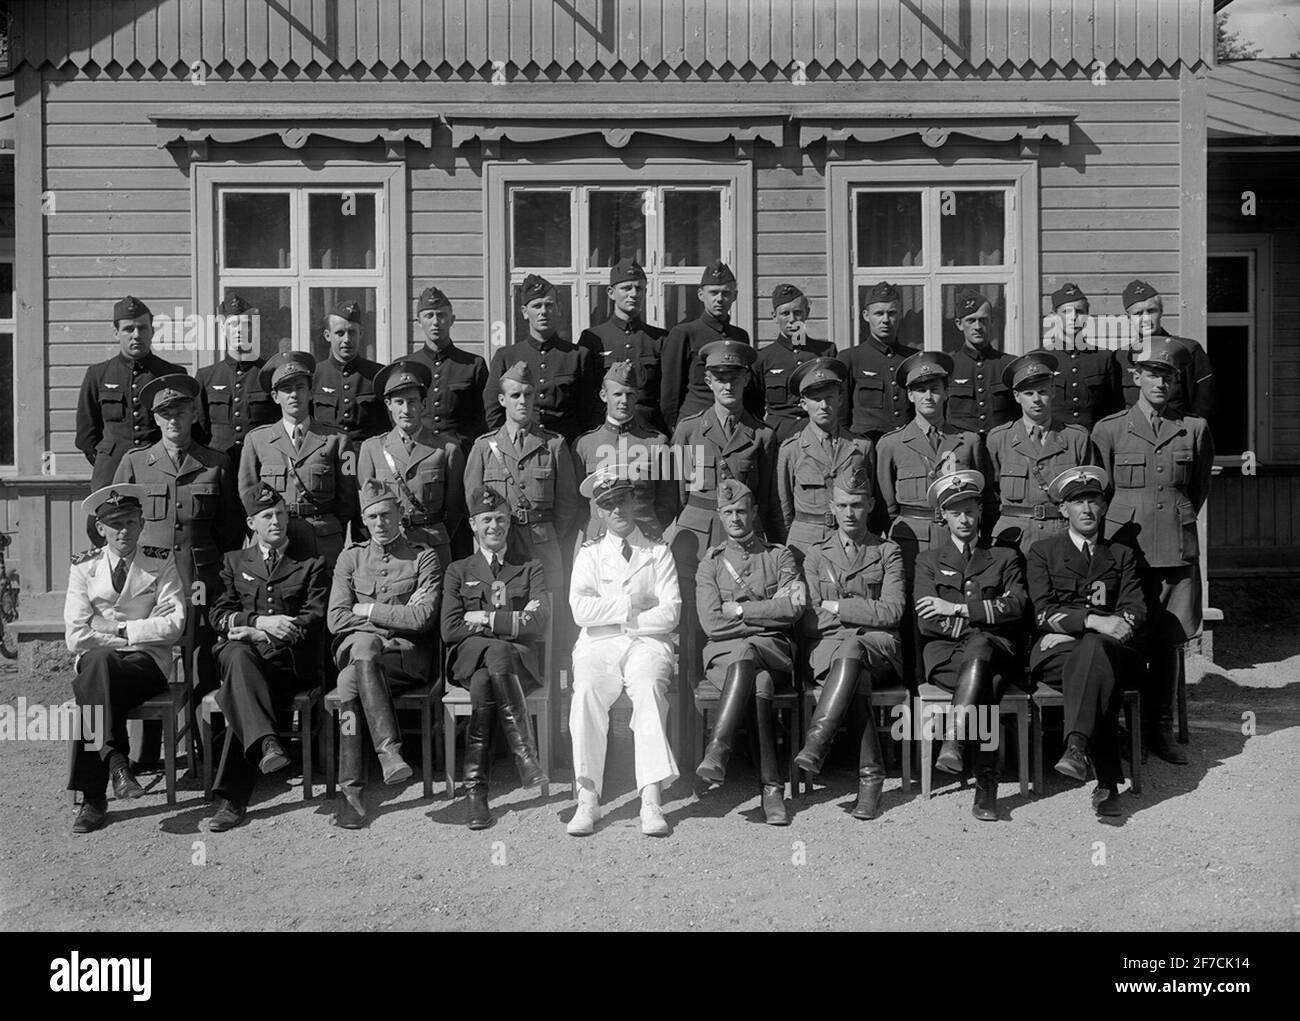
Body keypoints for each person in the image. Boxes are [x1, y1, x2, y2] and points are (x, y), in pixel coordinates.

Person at [1092, 336, 1214, 765]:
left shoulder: (1194, 428)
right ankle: (1124, 729)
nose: (1161, 382)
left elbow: (1196, 489)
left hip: (1177, 549)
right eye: (1153, 374)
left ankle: (1159, 730)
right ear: (1136, 376)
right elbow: (1100, 490)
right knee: (1125, 637)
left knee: (1168, 641)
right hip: (1126, 548)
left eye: (1169, 375)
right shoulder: (1109, 429)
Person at [205, 484, 330, 832]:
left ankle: (232, 800)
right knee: (238, 659)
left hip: (284, 662)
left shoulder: (311, 566)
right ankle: (266, 743)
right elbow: (218, 615)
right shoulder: (233, 562)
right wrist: (257, 621)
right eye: (267, 516)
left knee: (239, 687)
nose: (275, 521)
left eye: (280, 514)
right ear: (251, 523)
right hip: (241, 656)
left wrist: (262, 633)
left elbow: (313, 618)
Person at [115, 374, 243, 708]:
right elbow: (119, 521)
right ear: (155, 418)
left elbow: (230, 528)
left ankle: (205, 751)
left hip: (200, 579)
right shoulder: (136, 462)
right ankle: (144, 753)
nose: (173, 419)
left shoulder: (216, 463)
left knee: (202, 658)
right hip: (149, 580)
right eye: (165, 413)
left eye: (181, 412)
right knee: (145, 654)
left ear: (193, 415)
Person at [567, 466, 681, 838]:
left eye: (622, 501)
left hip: (646, 642)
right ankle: (588, 798)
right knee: (584, 690)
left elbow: (671, 612)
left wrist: (620, 621)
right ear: (599, 511)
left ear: (635, 502)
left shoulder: (658, 552)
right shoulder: (589, 554)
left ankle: (651, 799)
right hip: (598, 645)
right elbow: (580, 611)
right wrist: (631, 603)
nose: (617, 510)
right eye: (608, 504)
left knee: (648, 689)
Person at [64, 485, 186, 834]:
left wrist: (116, 627)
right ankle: (117, 766)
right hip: (101, 663)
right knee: (99, 666)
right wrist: (143, 625)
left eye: (130, 521)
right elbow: (75, 635)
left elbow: (174, 625)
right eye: (114, 523)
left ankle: (93, 798)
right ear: (100, 528)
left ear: (142, 522)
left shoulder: (160, 561)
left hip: (144, 664)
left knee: (95, 675)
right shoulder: (83, 567)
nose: (124, 530)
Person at [1026, 466, 1146, 818]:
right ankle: (1107, 782)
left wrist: (1074, 626)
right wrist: (1095, 621)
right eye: (1078, 502)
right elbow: (1041, 613)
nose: (1087, 509)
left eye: (1093, 500)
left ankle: (1076, 747)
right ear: (1063, 510)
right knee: (1095, 661)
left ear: (1104, 507)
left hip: (1104, 649)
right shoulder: (1043, 551)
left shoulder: (1121, 555)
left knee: (1096, 657)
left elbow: (1135, 610)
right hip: (1056, 654)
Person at [326, 480, 443, 828]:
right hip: (367, 649)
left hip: (404, 657)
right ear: (364, 519)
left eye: (387, 514)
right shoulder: (351, 557)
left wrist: (367, 611)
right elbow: (335, 619)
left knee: (350, 678)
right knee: (363, 648)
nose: (380, 523)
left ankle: (351, 792)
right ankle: (389, 753)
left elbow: (422, 618)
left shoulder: (423, 556)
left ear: (400, 514)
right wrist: (390, 622)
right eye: (373, 516)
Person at [913, 470, 1028, 822]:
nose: (964, 519)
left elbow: (1018, 608)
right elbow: (925, 619)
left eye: (970, 510)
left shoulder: (1004, 557)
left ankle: (955, 742)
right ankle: (986, 787)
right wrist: (984, 618)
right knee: (988, 680)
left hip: (994, 650)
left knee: (982, 652)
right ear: (943, 516)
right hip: (947, 656)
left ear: (980, 512)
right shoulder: (928, 561)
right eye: (955, 512)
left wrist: (960, 609)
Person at [668, 340, 781, 694]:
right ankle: (691, 713)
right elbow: (673, 495)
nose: (728, 384)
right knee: (692, 626)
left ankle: (742, 697)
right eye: (720, 377)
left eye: (735, 376)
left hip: (744, 545)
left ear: (746, 380)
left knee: (743, 623)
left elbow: (766, 499)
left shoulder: (762, 434)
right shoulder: (688, 430)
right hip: (696, 543)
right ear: (708, 381)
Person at [795, 465, 905, 820]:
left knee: (853, 650)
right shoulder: (815, 555)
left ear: (870, 504)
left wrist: (839, 606)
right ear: (831, 506)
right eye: (842, 506)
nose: (849, 513)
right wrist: (861, 613)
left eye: (856, 505)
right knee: (853, 664)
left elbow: (893, 612)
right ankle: (871, 779)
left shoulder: (888, 552)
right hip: (831, 650)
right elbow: (812, 618)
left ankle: (817, 743)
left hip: (881, 648)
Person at [694, 479, 805, 826]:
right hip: (724, 656)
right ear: (719, 516)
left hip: (774, 652)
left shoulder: (779, 555)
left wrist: (742, 612)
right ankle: (772, 789)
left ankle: (718, 749)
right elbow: (712, 624)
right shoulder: (709, 564)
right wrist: (765, 619)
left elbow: (793, 610)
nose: (735, 518)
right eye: (728, 512)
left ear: (755, 513)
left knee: (748, 651)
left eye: (742, 511)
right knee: (758, 681)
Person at [441, 486, 550, 830]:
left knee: (487, 677)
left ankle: (475, 793)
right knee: (495, 654)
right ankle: (525, 756)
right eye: (486, 519)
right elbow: (449, 629)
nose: (494, 526)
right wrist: (509, 626)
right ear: (473, 524)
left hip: (517, 662)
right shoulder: (458, 570)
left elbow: (540, 622)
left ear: (509, 524)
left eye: (501, 519)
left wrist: (485, 620)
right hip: (471, 658)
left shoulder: (530, 567)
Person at [464, 360, 581, 666]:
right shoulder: (484, 448)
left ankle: (552, 685)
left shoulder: (553, 445)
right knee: (498, 611)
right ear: (502, 400)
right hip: (498, 547)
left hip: (542, 545)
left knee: (547, 615)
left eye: (528, 395)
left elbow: (568, 503)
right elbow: (473, 499)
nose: (522, 402)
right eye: (515, 395)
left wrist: (545, 531)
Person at [75, 296, 191, 544]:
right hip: (111, 474)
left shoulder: (172, 374)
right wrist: (112, 461)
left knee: (159, 536)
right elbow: (86, 436)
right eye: (129, 328)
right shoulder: (98, 375)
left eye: (142, 328)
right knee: (106, 535)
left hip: (159, 472)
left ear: (152, 331)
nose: (136, 334)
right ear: (116, 332)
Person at [239, 351, 359, 562]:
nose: (294, 395)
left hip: (322, 539)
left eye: (300, 387)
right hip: (277, 538)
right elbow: (248, 492)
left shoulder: (338, 440)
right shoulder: (257, 440)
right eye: (286, 389)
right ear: (276, 397)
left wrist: (329, 527)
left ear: (310, 392)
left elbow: (348, 498)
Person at [358, 358, 465, 573]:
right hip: (391, 548)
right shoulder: (372, 449)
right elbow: (366, 506)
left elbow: (455, 507)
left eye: (412, 401)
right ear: (388, 405)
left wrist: (436, 534)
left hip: (433, 546)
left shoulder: (447, 449)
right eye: (399, 402)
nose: (406, 409)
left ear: (423, 404)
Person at [986, 352, 1098, 555]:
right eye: (1029, 393)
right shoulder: (999, 439)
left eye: (1043, 392)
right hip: (1013, 541)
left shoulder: (1076, 438)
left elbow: (1090, 494)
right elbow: (990, 497)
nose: (1037, 399)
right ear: (1016, 396)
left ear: (1053, 391)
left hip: (1061, 537)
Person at [775, 357, 874, 560]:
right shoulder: (791, 450)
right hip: (805, 545)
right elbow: (782, 511)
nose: (823, 405)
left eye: (829, 397)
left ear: (840, 399)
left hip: (852, 540)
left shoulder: (861, 447)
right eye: (816, 399)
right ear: (803, 404)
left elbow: (873, 504)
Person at [571, 360, 675, 546]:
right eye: (617, 394)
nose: (624, 401)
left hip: (645, 537)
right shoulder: (584, 445)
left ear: (636, 397)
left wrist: (647, 528)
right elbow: (576, 503)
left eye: (630, 394)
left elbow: (667, 501)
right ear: (604, 395)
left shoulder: (657, 443)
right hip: (599, 541)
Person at [484, 274, 596, 443]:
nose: (544, 311)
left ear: (558, 309)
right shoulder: (506, 357)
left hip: (566, 446)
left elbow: (588, 411)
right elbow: (493, 408)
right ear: (524, 312)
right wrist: (509, 443)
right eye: (537, 306)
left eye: (549, 305)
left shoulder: (578, 356)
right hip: (520, 446)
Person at [660, 261, 762, 431]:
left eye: (726, 293)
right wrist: (672, 429)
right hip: (696, 423)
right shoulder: (684, 332)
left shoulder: (740, 336)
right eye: (713, 293)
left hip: (734, 423)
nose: (720, 299)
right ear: (701, 294)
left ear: (735, 296)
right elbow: (670, 391)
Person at [578, 258, 669, 434]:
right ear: (611, 293)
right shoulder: (593, 338)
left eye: (639, 288)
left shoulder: (660, 339)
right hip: (605, 428)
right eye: (626, 288)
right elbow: (585, 393)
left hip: (649, 430)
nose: (634, 294)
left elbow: (668, 394)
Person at [196, 293, 278, 477]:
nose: (239, 330)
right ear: (223, 330)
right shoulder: (206, 376)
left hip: (260, 468)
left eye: (246, 324)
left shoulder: (270, 374)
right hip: (219, 470)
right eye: (233, 325)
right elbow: (200, 432)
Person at [405, 285, 490, 452]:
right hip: (418, 452)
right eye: (429, 316)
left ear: (452, 319)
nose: (436, 322)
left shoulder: (473, 365)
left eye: (441, 315)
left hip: (462, 453)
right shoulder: (406, 366)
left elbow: (483, 416)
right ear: (418, 322)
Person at [1118, 279, 1215, 420]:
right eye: (1138, 313)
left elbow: (1205, 405)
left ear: (1161, 312)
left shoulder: (1187, 350)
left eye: (1151, 311)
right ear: (1128, 318)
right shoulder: (1121, 356)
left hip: (1178, 434)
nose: (1145, 319)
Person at [753, 283, 839, 441]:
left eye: (798, 312)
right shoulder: (763, 358)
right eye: (785, 313)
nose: (792, 319)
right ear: (774, 316)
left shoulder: (826, 352)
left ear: (807, 313)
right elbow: (754, 409)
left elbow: (837, 398)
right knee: (695, 461)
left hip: (818, 436)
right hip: (778, 439)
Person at [1044, 282, 1123, 430]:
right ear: (1053, 316)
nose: (1073, 317)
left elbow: (1114, 409)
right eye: (1066, 312)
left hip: (1093, 441)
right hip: (1054, 442)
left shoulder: (1103, 358)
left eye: (1079, 311)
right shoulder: (1042, 359)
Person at [842, 281, 914, 442]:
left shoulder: (913, 359)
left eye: (892, 313)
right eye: (879, 314)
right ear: (866, 316)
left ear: (900, 315)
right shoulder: (850, 358)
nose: (886, 320)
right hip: (866, 446)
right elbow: (841, 417)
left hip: (906, 444)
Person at [311, 300, 387, 445]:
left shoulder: (378, 375)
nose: (347, 339)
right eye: (340, 333)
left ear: (361, 333)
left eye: (352, 332)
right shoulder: (315, 376)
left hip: (366, 458)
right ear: (327, 336)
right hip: (327, 457)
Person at [946, 287, 1016, 437]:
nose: (977, 327)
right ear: (959, 324)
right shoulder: (948, 367)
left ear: (992, 322)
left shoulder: (1009, 365)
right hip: (962, 449)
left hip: (1001, 447)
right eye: (970, 320)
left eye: (983, 320)